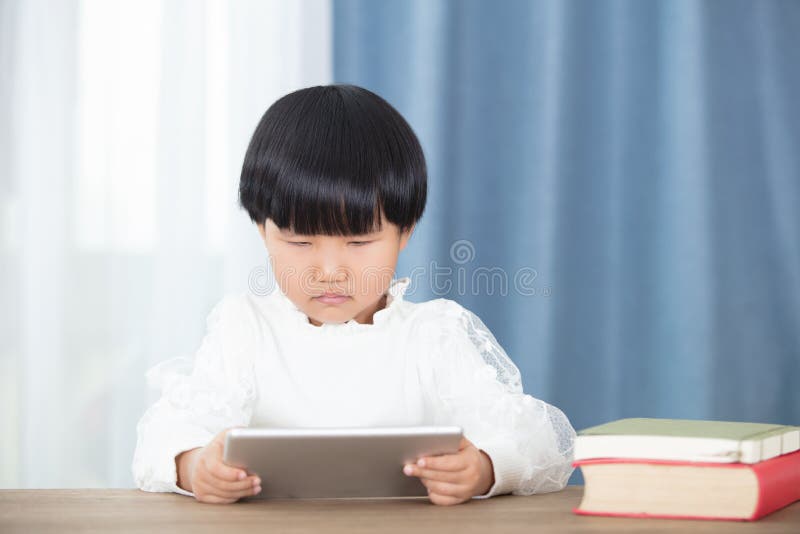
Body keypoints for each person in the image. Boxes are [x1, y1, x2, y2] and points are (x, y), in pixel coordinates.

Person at [132, 84, 575, 505]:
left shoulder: (433, 335)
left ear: (405, 233)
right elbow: (163, 435)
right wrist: (194, 466)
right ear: (262, 232)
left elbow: (537, 442)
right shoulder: (244, 329)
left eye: (359, 243)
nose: (330, 272)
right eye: (300, 242)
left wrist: (483, 468)